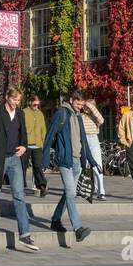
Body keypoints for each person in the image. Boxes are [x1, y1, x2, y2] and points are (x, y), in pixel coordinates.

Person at [0, 87, 38, 252]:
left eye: (18, 100)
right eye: (14, 100)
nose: (16, 103)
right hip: (0, 159)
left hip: (15, 159)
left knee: (19, 195)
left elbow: (24, 134)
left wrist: (24, 147)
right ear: (7, 97)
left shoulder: (20, 114)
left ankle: (24, 234)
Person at [41, 89, 96, 242]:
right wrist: (44, 161)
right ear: (72, 100)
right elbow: (50, 135)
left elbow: (83, 139)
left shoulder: (78, 115)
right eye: (78, 104)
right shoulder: (62, 113)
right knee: (71, 193)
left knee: (68, 193)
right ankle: (78, 228)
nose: (80, 107)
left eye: (82, 105)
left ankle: (55, 220)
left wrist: (91, 160)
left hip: (78, 161)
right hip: (65, 160)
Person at [21, 94, 48, 198]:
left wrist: (43, 143)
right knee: (23, 167)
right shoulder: (24, 112)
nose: (36, 106)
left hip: (37, 145)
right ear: (30, 103)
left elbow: (43, 129)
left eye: (38, 105)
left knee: (37, 166)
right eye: (35, 104)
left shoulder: (40, 114)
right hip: (26, 145)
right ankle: (21, 187)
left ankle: (42, 186)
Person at [81, 97, 107, 200]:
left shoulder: (96, 117)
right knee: (84, 165)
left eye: (89, 106)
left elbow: (102, 120)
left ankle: (101, 191)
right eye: (85, 106)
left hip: (93, 139)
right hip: (83, 139)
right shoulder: (81, 116)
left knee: (97, 165)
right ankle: (83, 189)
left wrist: (91, 106)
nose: (86, 108)